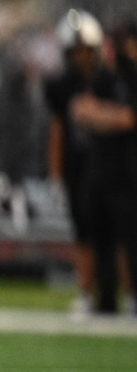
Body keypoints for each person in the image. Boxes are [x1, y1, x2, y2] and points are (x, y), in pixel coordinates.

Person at [68, 21, 137, 315]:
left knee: (129, 237)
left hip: (127, 170)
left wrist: (99, 115)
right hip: (99, 168)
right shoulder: (105, 78)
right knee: (100, 236)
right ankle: (105, 298)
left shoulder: (130, 79)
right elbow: (80, 109)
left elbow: (128, 119)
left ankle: (132, 295)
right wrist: (104, 116)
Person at [45, 9, 107, 309]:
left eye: (85, 50)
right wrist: (56, 174)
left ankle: (121, 293)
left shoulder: (110, 81)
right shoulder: (62, 86)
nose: (81, 57)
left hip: (110, 164)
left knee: (114, 231)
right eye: (75, 51)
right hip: (78, 164)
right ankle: (87, 292)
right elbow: (57, 130)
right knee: (83, 228)